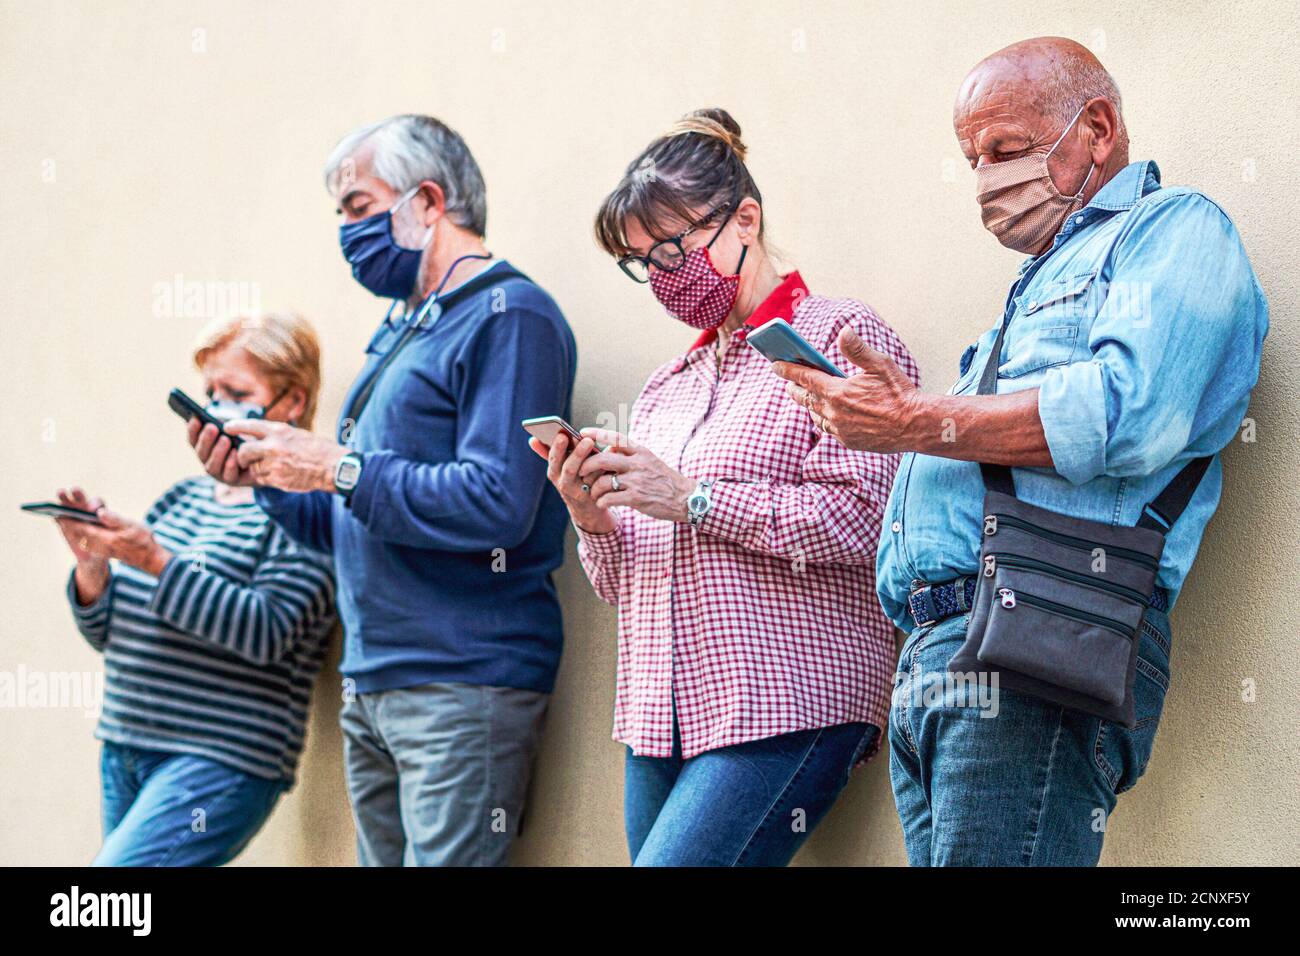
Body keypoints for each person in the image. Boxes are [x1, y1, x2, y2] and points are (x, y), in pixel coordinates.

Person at [775, 37, 1268, 865]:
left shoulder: (1176, 229)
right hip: (944, 654)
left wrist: (914, 422)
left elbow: (1127, 413)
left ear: (1097, 128)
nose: (983, 182)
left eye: (1003, 151)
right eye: (972, 160)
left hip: (1031, 643)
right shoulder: (1034, 286)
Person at [531, 109, 919, 866]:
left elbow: (867, 523)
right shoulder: (665, 387)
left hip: (790, 700)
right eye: (644, 260)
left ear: (747, 218)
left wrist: (692, 498)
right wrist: (593, 519)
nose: (666, 274)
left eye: (675, 245)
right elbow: (624, 581)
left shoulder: (837, 337)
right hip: (661, 711)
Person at [190, 114, 577, 867]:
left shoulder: (513, 316)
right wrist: (267, 476)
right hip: (376, 680)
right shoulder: (399, 331)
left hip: (462, 683)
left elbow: (499, 502)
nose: (346, 229)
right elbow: (354, 518)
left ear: (429, 202)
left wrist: (335, 466)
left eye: (358, 206)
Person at [57, 312, 336, 866]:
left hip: (218, 758)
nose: (214, 406)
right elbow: (112, 632)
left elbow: (267, 632)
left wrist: (154, 559)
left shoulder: (305, 511)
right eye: (208, 391)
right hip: (127, 743)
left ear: (293, 402)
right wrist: (94, 571)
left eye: (235, 392)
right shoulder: (181, 498)